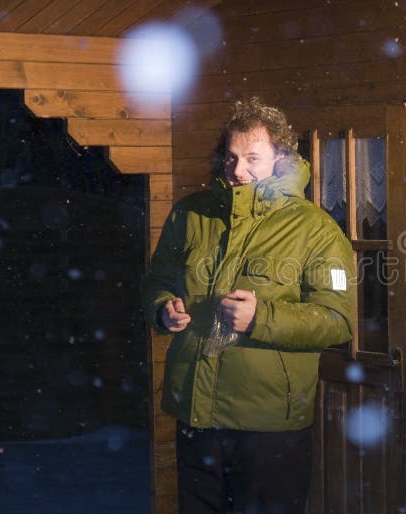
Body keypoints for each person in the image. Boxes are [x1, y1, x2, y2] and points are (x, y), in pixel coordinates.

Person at [142, 97, 356, 514]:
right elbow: (158, 280)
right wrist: (163, 306)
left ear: (281, 158)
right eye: (232, 156)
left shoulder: (315, 229)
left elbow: (337, 320)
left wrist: (263, 317)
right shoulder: (190, 214)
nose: (238, 170)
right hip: (197, 418)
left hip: (268, 427)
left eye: (252, 158)